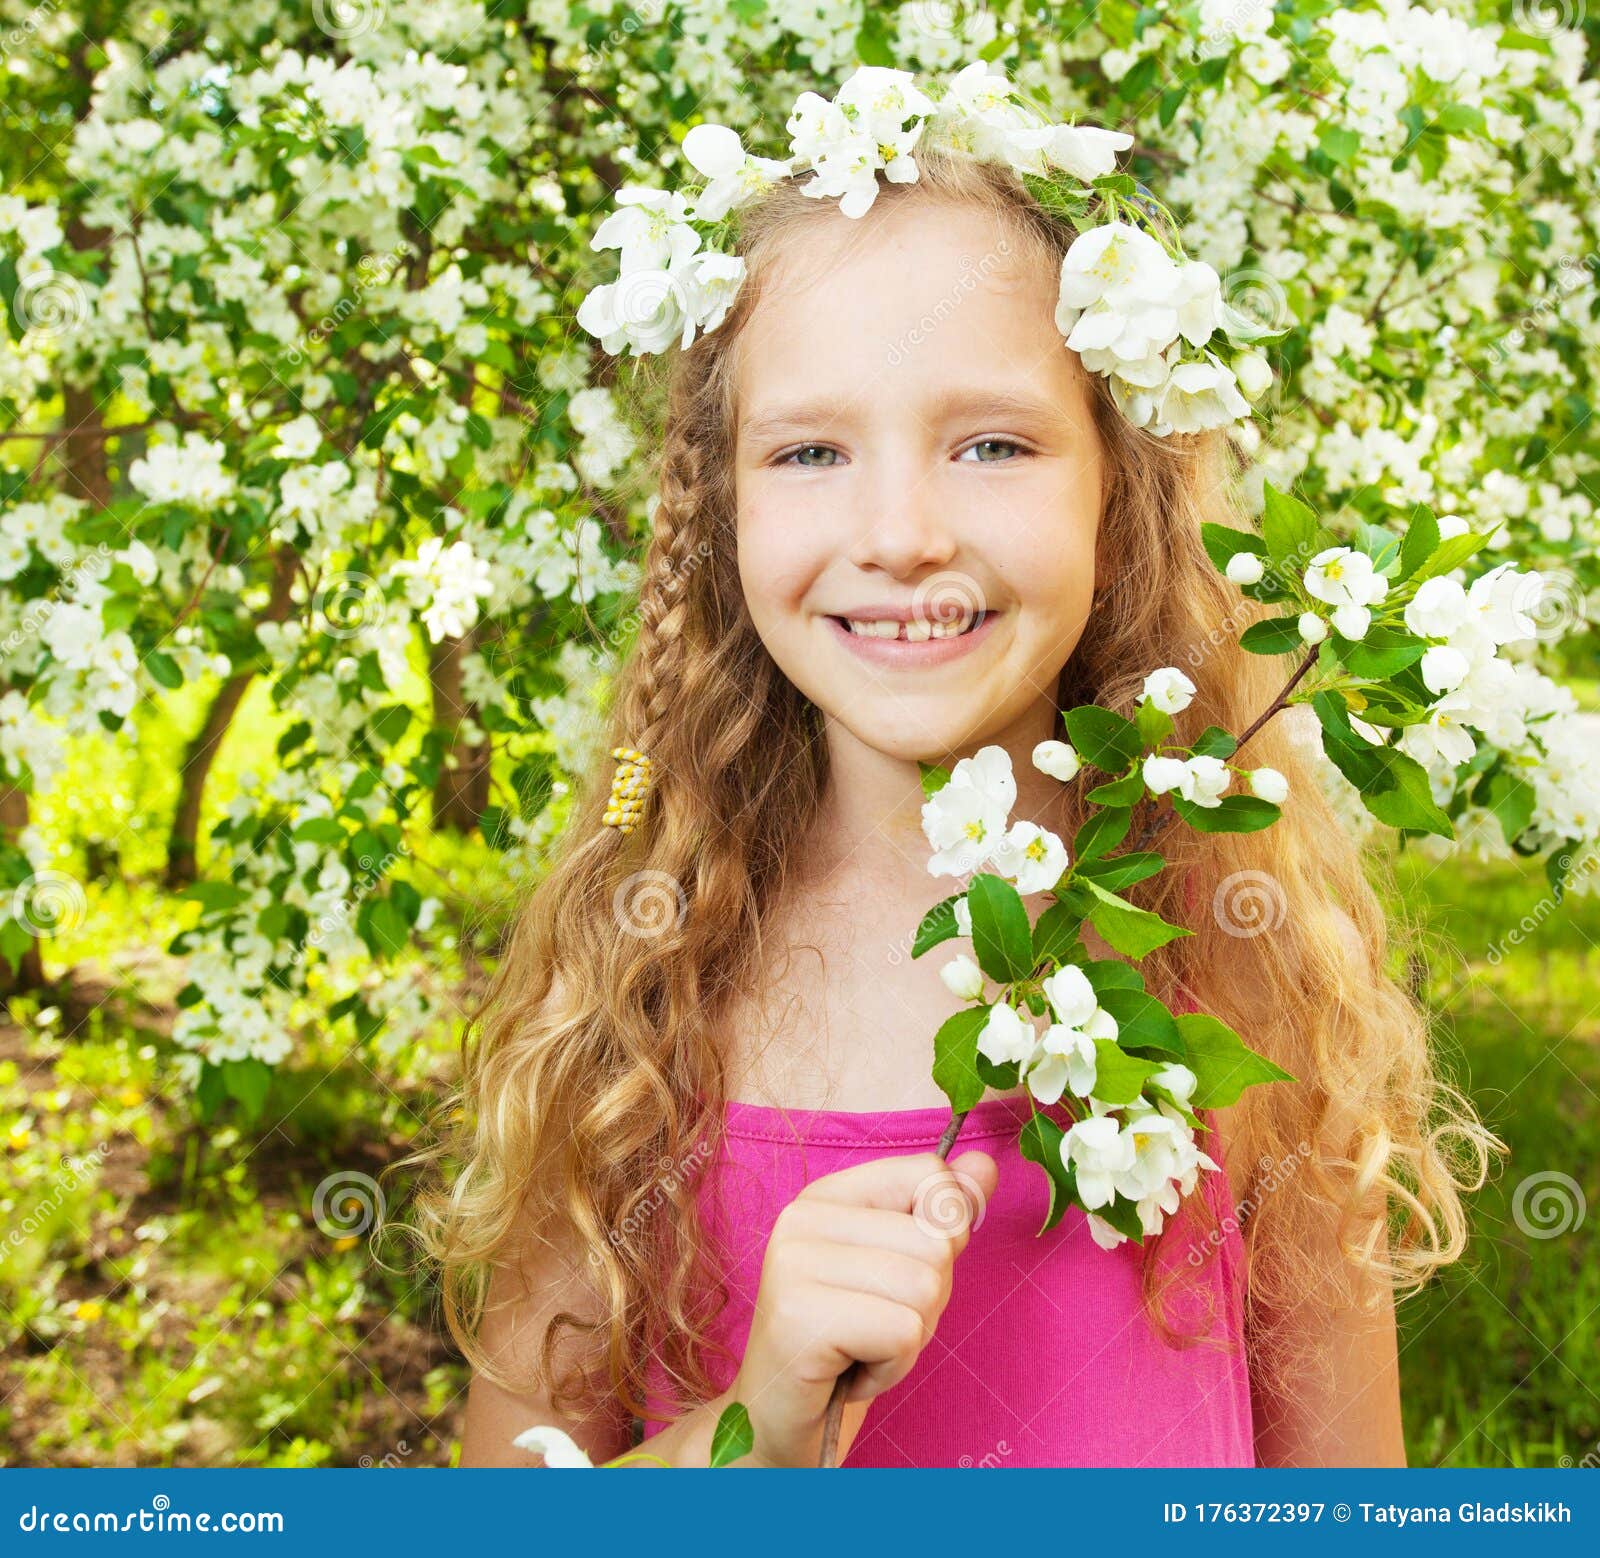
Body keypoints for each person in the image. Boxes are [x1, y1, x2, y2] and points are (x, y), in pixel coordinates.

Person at [413, 74, 1494, 1468]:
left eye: (991, 444)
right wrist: (755, 1433)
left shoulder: (1246, 964)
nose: (902, 532)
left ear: (1118, 480)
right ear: (725, 502)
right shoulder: (636, 998)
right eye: (810, 450)